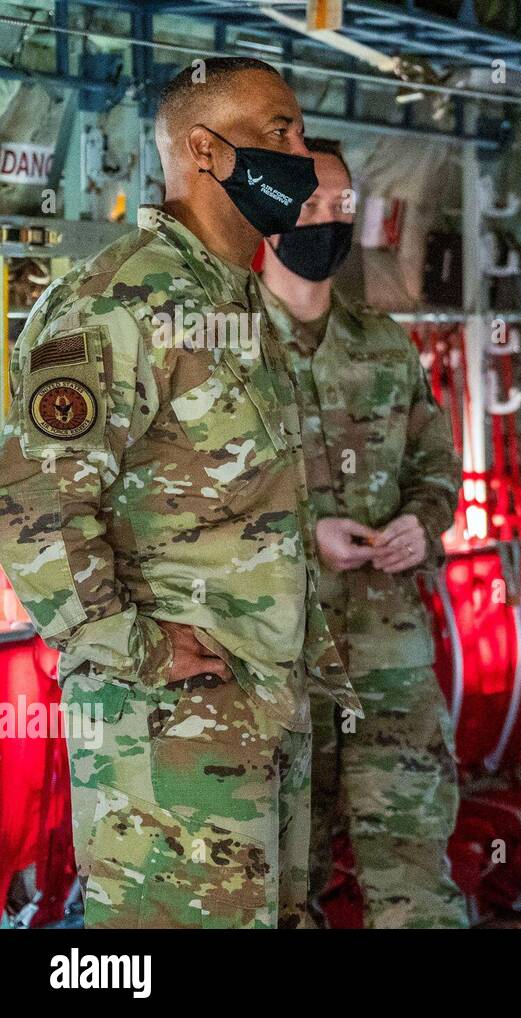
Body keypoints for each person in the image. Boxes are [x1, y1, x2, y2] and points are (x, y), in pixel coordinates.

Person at [0, 57, 359, 928]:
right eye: (279, 133)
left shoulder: (234, 298)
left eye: (302, 132)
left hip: (260, 710)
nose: (302, 155)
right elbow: (35, 504)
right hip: (167, 731)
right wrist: (137, 649)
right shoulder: (117, 299)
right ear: (205, 149)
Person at [258, 138, 466, 927]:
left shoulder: (384, 345)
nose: (328, 221)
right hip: (277, 663)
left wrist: (423, 523)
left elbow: (436, 464)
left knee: (414, 875)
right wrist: (304, 536)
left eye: (342, 206)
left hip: (389, 659)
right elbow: (182, 507)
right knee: (279, 885)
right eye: (310, 205)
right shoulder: (221, 355)